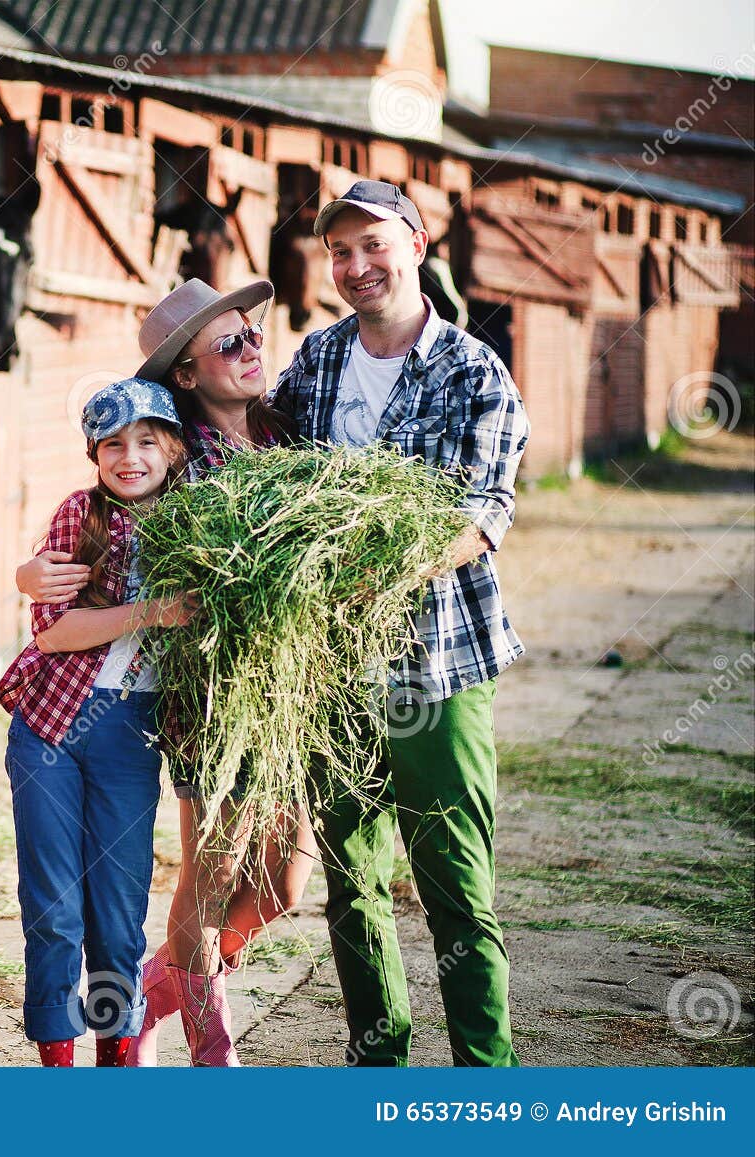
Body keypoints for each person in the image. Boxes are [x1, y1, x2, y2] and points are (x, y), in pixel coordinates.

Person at [16, 280, 318, 1067]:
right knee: (204, 881)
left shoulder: (285, 429)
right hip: (195, 700)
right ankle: (205, 1043)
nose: (252, 347)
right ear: (186, 374)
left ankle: (157, 986)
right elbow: (98, 535)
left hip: (280, 692)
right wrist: (33, 573)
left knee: (286, 880)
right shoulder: (185, 467)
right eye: (229, 343)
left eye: (252, 331)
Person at [273, 180, 531, 1066]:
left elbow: (481, 517)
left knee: (457, 888)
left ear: (416, 244)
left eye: (373, 246)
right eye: (339, 253)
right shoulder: (314, 362)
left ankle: (484, 1084)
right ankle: (376, 1068)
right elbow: (260, 466)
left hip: (437, 662)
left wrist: (373, 571)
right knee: (351, 880)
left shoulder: (472, 371)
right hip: (329, 664)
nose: (355, 267)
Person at [0, 378, 196, 1067]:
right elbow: (54, 633)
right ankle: (57, 1062)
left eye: (146, 441)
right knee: (53, 907)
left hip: (132, 735)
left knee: (117, 912)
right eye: (113, 444)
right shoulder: (79, 515)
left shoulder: (200, 523)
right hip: (51, 726)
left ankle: (117, 1060)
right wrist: (153, 611)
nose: (130, 457)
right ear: (94, 454)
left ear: (172, 447)